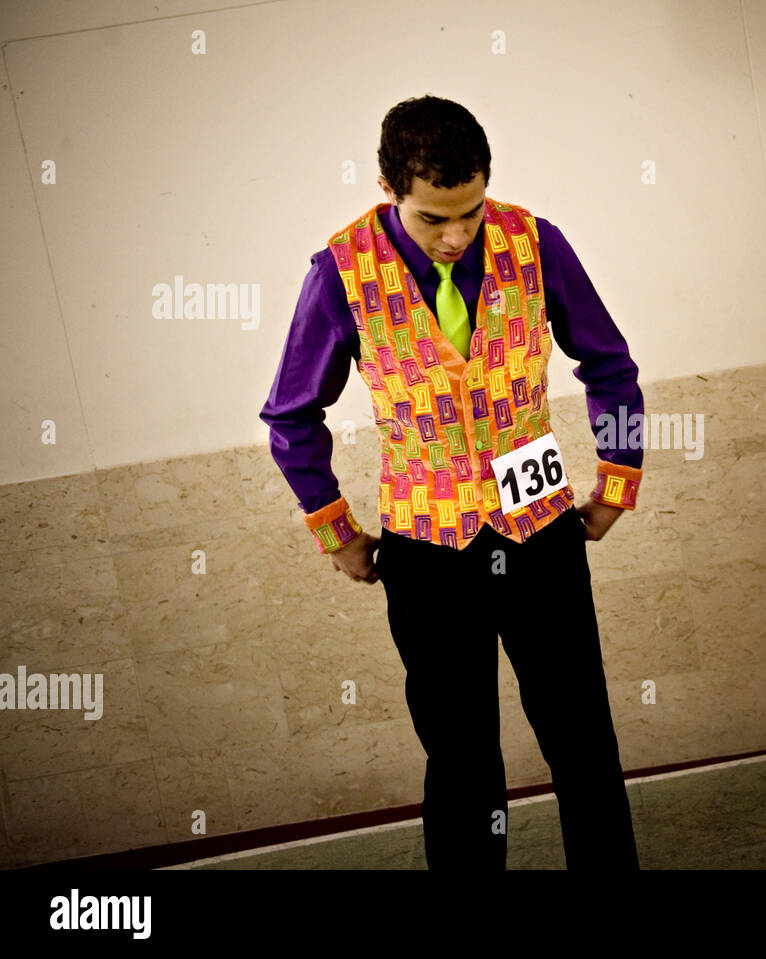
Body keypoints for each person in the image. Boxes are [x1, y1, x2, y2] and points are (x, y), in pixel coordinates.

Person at [259, 95, 644, 870]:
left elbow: (610, 367)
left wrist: (616, 482)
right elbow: (292, 415)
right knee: (463, 761)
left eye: (469, 211)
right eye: (435, 218)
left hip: (539, 531)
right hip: (428, 555)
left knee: (584, 743)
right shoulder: (339, 272)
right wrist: (336, 532)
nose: (458, 233)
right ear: (387, 187)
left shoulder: (535, 242)